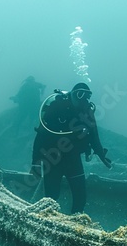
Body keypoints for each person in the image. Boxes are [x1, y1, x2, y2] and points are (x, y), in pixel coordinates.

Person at [30, 82, 112, 214]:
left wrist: (101, 155)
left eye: (87, 95)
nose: (83, 99)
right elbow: (40, 136)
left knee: (80, 197)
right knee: (51, 197)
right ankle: (47, 222)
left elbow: (94, 136)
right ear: (72, 94)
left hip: (73, 159)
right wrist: (35, 162)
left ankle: (75, 221)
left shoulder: (87, 110)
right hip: (53, 158)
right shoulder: (56, 106)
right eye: (80, 94)